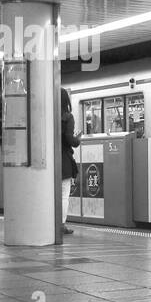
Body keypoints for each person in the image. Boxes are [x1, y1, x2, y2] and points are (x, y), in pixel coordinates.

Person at [60, 89, 81, 235]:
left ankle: (48, 221)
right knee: (63, 194)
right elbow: (69, 139)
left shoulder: (47, 115)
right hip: (63, 160)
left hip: (47, 160)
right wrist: (77, 140)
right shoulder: (67, 117)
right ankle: (61, 224)